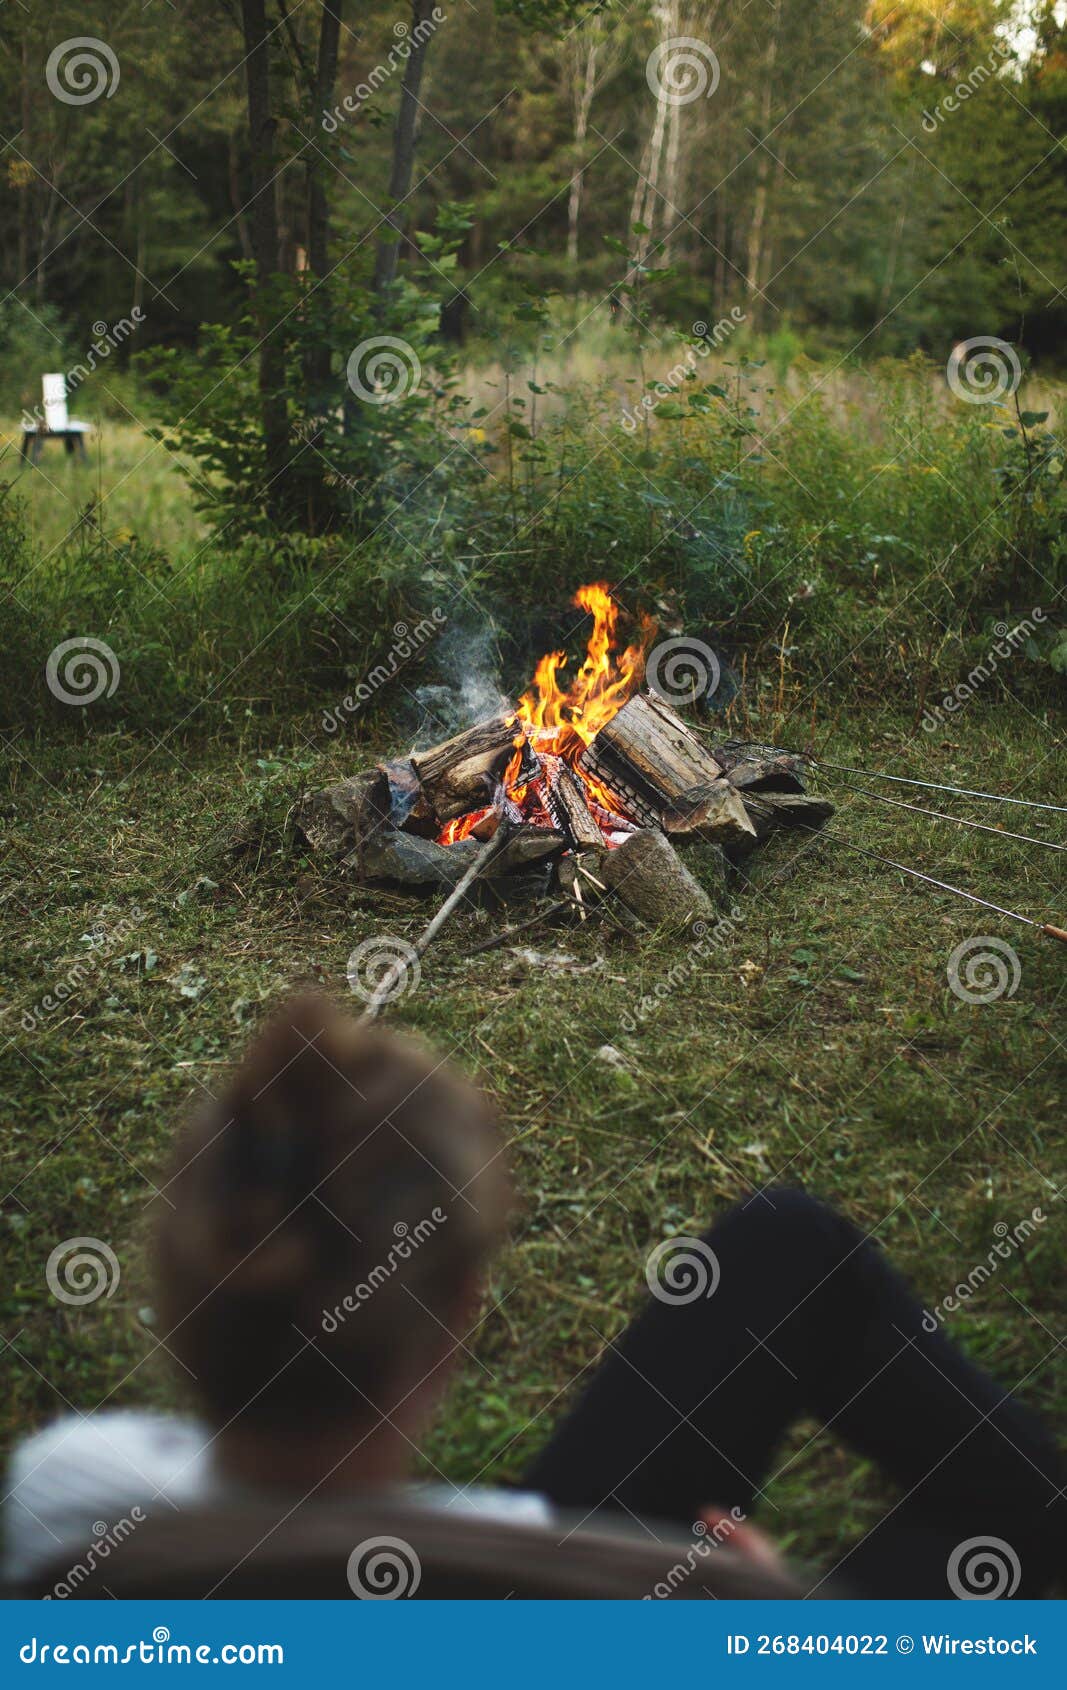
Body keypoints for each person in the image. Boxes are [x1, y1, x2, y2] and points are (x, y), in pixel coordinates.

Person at [4, 995, 1062, 1597]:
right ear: (460, 1313)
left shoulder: (59, 1503)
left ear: (176, 1292)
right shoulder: (679, 1601)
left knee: (780, 1246)